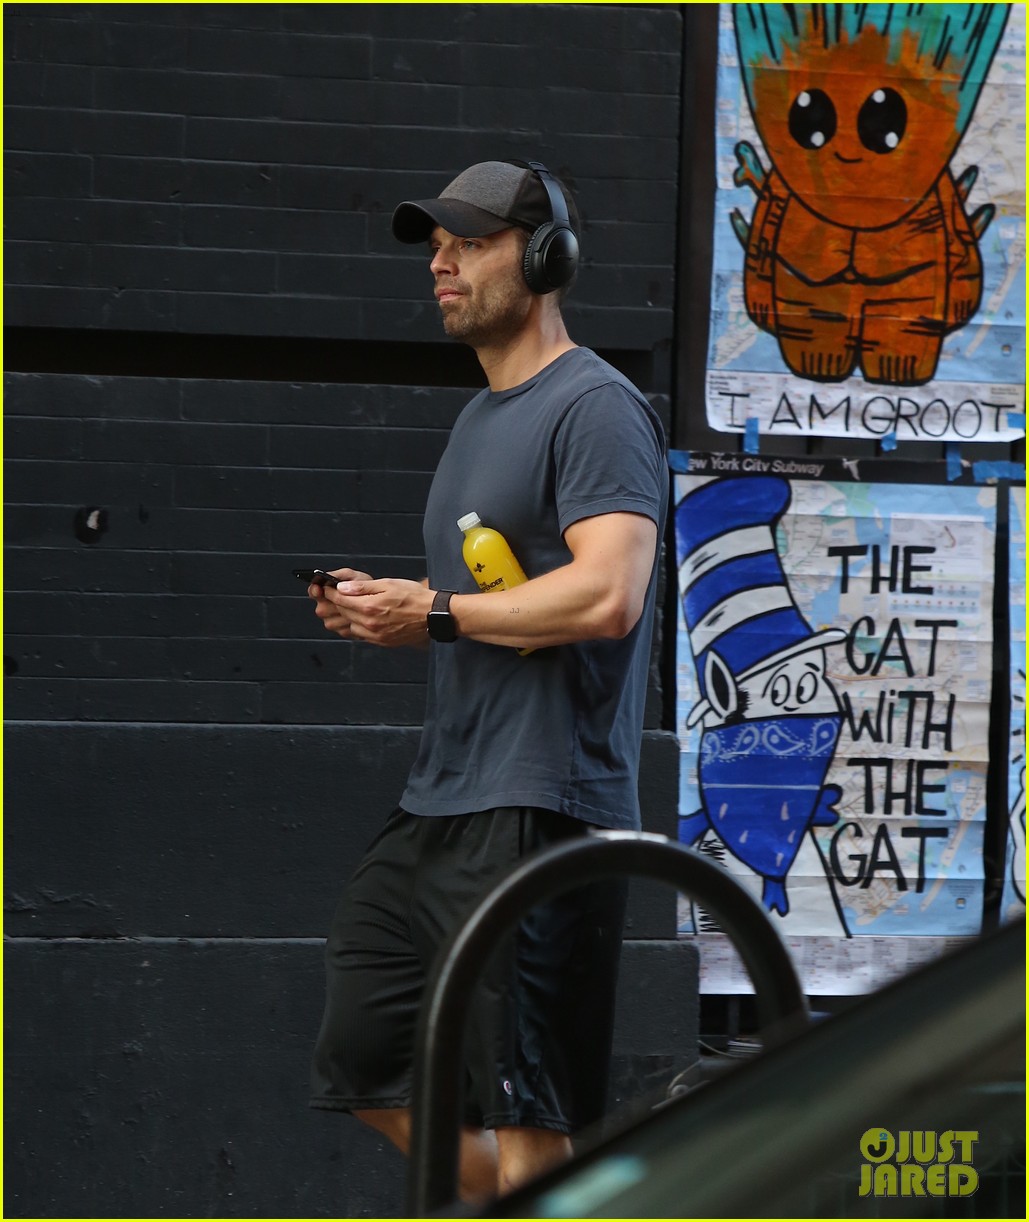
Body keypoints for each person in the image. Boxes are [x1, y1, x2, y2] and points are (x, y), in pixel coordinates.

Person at [307, 159, 668, 1202]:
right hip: (444, 800)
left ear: (546, 258)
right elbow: (496, 594)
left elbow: (605, 596)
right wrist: (400, 603)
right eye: (436, 243)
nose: (442, 259)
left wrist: (438, 612)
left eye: (469, 240)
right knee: (360, 1050)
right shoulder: (479, 421)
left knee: (527, 1105)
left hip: (543, 802)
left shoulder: (596, 408)